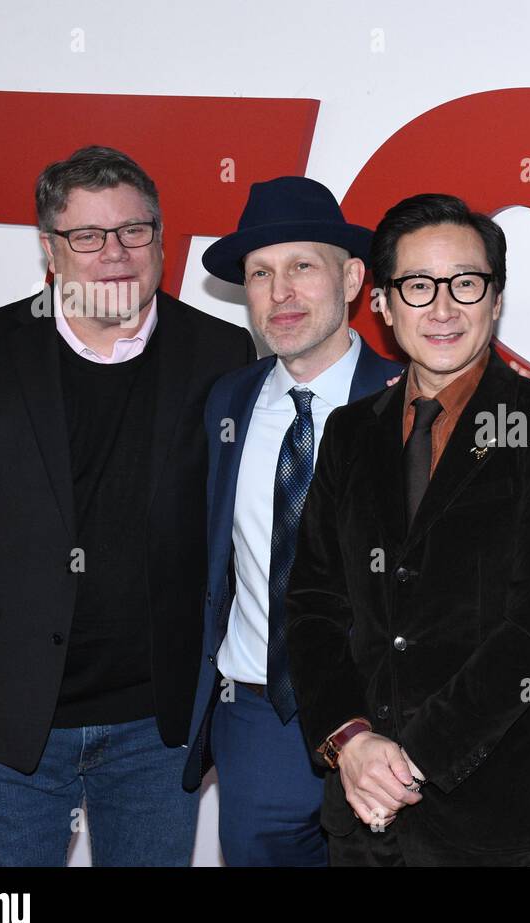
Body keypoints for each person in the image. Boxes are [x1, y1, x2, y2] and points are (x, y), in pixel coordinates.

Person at [0, 145, 255, 866]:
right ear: (50, 251)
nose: (114, 254)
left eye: (134, 231)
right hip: (9, 715)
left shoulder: (219, 352)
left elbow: (236, 532)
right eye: (87, 236)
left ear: (160, 236)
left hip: (158, 727)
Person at [284, 193, 530, 865]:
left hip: (491, 812)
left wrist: (412, 760)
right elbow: (313, 605)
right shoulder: (349, 433)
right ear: (385, 305)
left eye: (466, 283)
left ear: (495, 299)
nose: (443, 307)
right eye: (418, 286)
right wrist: (353, 742)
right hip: (362, 810)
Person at [180, 177, 403, 865]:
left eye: (302, 266)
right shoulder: (228, 400)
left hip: (386, 724)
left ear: (354, 277)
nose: (281, 293)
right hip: (258, 721)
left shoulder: (411, 403)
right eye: (260, 274)